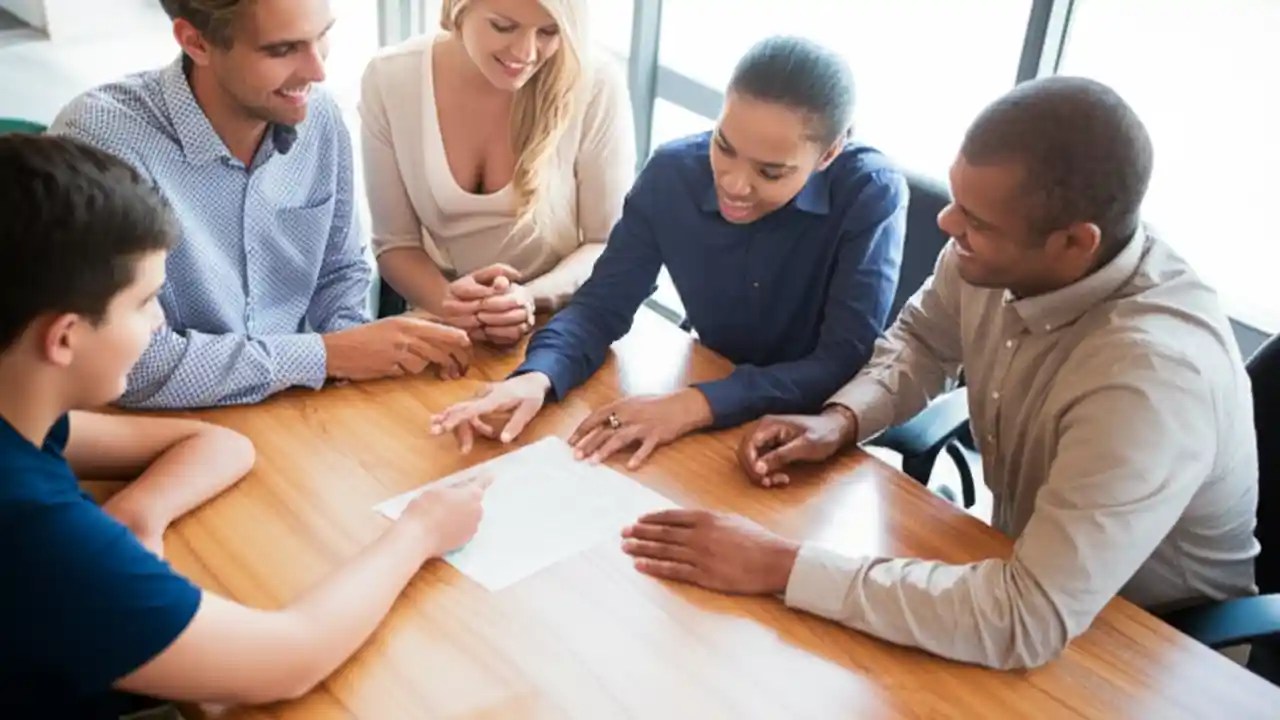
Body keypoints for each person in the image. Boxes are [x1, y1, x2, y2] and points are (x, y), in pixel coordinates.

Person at [618, 76, 1260, 670]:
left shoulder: (1150, 380)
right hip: (1018, 575)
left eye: (976, 222)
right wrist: (840, 421)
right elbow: (921, 341)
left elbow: (1026, 617)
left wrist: (782, 566)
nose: (947, 226)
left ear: (1074, 244)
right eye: (958, 203)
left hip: (1152, 650)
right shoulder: (988, 254)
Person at [0, 134, 489, 718]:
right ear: (65, 338)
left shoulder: (22, 411)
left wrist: (139, 515)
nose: (158, 325)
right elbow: (288, 660)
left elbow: (215, 440)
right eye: (145, 302)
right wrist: (421, 531)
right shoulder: (32, 528)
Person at [431, 35, 907, 468]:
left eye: (770, 172)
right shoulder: (673, 173)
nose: (734, 184)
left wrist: (693, 405)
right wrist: (536, 377)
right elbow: (600, 307)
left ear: (828, 154)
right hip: (707, 397)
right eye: (724, 145)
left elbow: (841, 359)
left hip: (810, 432)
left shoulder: (870, 193)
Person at [50, 0, 471, 410]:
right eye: (282, 49)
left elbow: (339, 272)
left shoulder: (316, 117)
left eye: (322, 36)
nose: (318, 71)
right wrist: (327, 355)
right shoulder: (100, 141)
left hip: (298, 407)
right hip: (162, 424)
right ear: (195, 42)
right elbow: (130, 363)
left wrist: (362, 352)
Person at [362, 0, 635, 347]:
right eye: (503, 26)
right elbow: (395, 245)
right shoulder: (391, 77)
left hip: (563, 324)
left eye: (549, 31)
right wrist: (452, 304)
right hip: (444, 323)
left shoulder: (596, 84)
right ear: (459, 8)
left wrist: (529, 298)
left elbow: (607, 243)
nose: (525, 52)